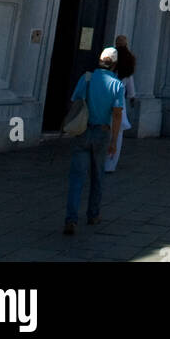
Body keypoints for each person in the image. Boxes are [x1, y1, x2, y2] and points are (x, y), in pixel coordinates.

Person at [63, 46, 124, 235]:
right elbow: (116, 115)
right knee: (98, 176)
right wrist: (114, 141)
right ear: (114, 64)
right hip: (102, 133)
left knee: (76, 178)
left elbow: (75, 103)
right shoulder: (117, 85)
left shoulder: (86, 78)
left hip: (83, 131)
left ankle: (71, 219)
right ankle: (93, 215)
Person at [104, 35, 136, 173]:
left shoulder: (110, 60)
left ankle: (100, 161)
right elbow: (131, 89)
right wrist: (132, 97)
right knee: (117, 135)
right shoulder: (128, 65)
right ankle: (110, 165)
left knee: (104, 130)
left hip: (105, 99)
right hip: (119, 101)